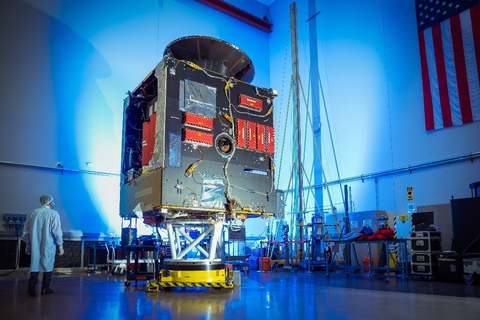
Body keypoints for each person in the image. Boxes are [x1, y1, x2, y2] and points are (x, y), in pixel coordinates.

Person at [22, 194, 64, 296]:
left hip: (35, 243)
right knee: (48, 264)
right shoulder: (54, 214)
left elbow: (26, 230)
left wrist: (27, 244)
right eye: (52, 201)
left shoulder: (33, 212)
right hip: (48, 244)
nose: (53, 203)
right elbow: (57, 231)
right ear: (49, 202)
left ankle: (31, 288)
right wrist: (60, 245)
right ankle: (46, 288)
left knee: (35, 264)